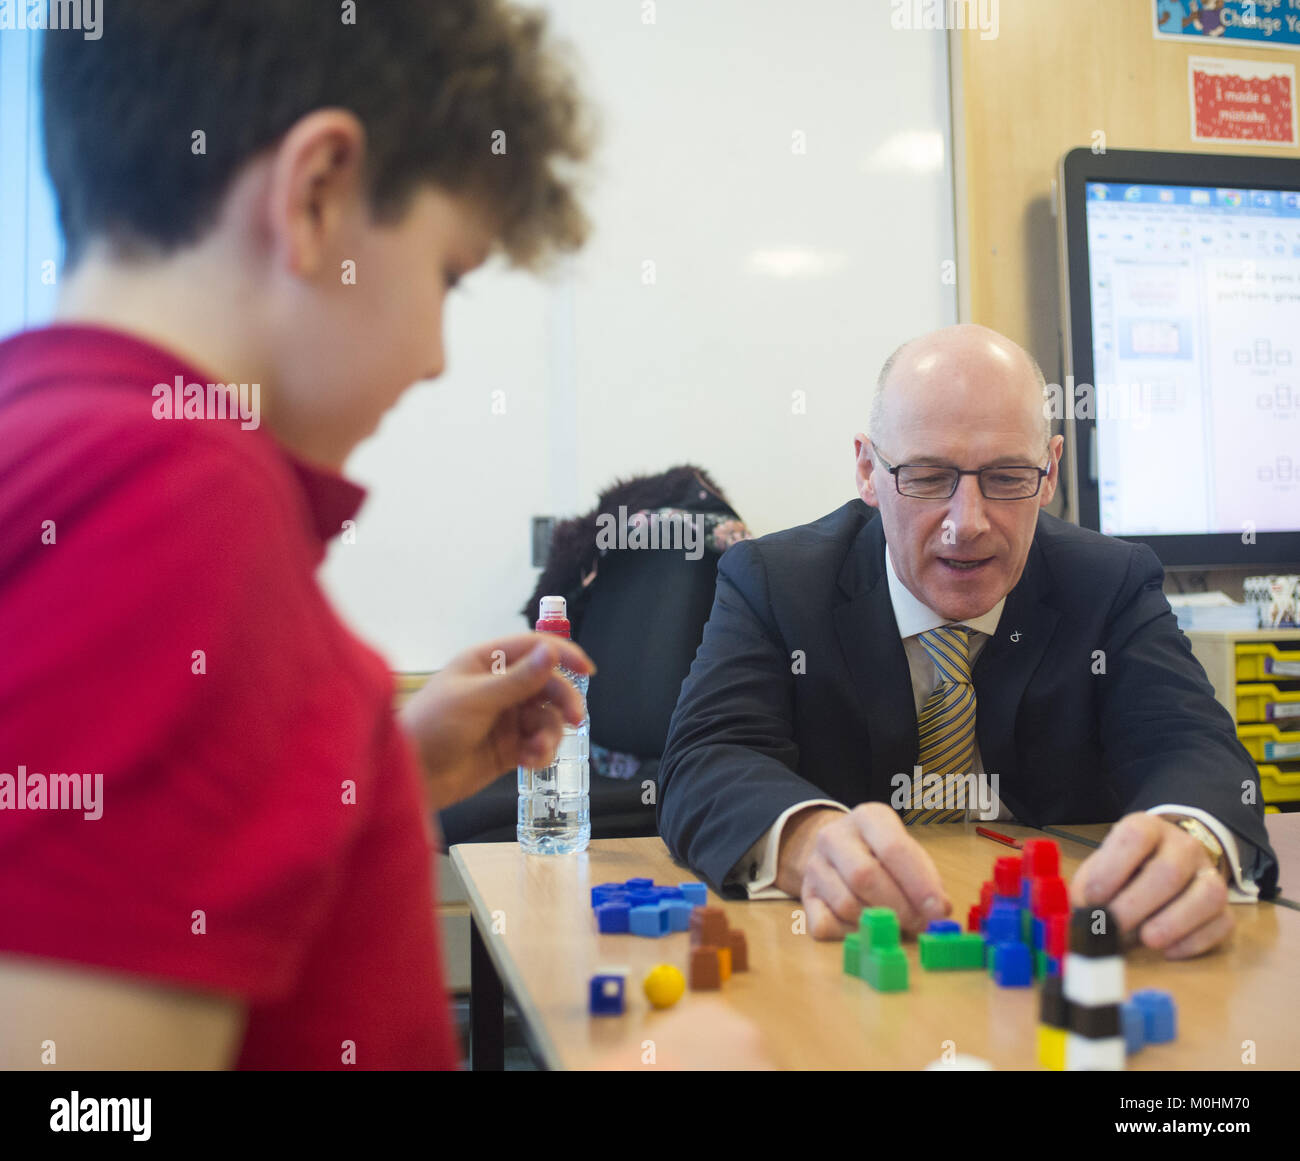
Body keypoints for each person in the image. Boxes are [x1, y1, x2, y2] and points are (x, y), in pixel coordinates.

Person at [0, 1, 596, 1069]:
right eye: (449, 276)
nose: (436, 357)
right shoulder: (171, 507)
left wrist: (374, 778)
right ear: (317, 192)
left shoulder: (54, 443)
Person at [658, 324, 1277, 960]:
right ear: (869, 471)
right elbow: (705, 762)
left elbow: (1197, 752)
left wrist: (1194, 843)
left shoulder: (1109, 583)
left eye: (1008, 477)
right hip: (850, 958)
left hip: (1058, 952)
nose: (968, 523)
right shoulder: (777, 583)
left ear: (1050, 473)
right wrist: (805, 844)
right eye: (928, 477)